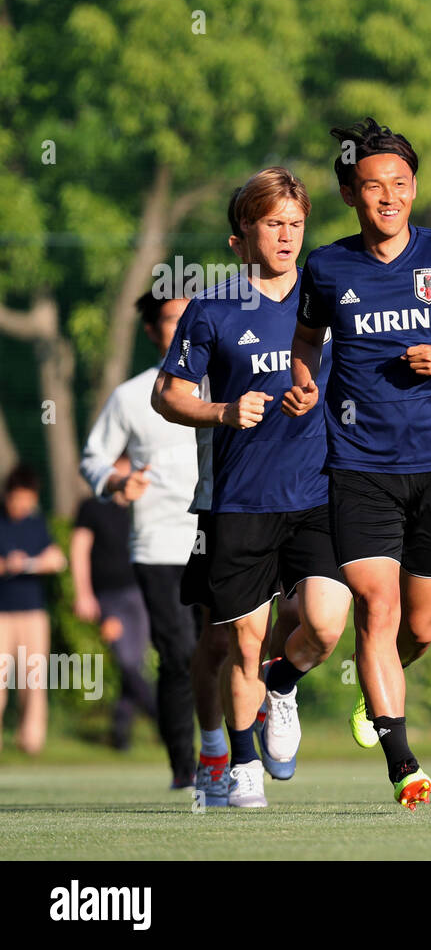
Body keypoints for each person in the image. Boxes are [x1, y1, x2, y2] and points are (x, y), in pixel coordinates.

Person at [286, 118, 431, 809]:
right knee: (375, 610)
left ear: (415, 189)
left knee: (419, 627)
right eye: (373, 185)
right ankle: (402, 761)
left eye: (401, 184)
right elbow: (306, 336)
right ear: (351, 193)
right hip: (357, 464)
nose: (389, 196)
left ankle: (371, 691)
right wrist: (302, 379)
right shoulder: (326, 266)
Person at [154, 167, 352, 808]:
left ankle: (285, 685)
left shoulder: (329, 299)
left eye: (296, 224)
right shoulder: (212, 309)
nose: (288, 236)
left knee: (324, 626)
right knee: (241, 640)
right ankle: (242, 766)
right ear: (244, 234)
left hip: (317, 492)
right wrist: (224, 411)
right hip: (238, 501)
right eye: (274, 223)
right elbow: (169, 394)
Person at [81, 290, 206, 789]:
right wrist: (116, 482)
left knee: (233, 647)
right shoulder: (132, 396)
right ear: (153, 332)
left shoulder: (229, 380)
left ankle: (235, 757)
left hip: (223, 538)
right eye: (173, 320)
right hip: (158, 547)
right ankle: (185, 768)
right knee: (179, 656)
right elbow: (92, 458)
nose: (184, 328)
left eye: (191, 318)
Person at [71, 457, 156, 751]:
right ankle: (162, 714)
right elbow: (79, 549)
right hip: (108, 596)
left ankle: (120, 733)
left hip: (140, 593)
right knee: (127, 661)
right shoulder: (92, 507)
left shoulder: (142, 508)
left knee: (136, 661)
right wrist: (83, 594)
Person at [0, 463, 66, 754]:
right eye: (18, 498)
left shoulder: (37, 525)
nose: (22, 505)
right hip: (2, 614)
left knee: (33, 679)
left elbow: (56, 560)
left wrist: (26, 564)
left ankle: (31, 741)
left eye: (28, 499)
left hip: (33, 614)